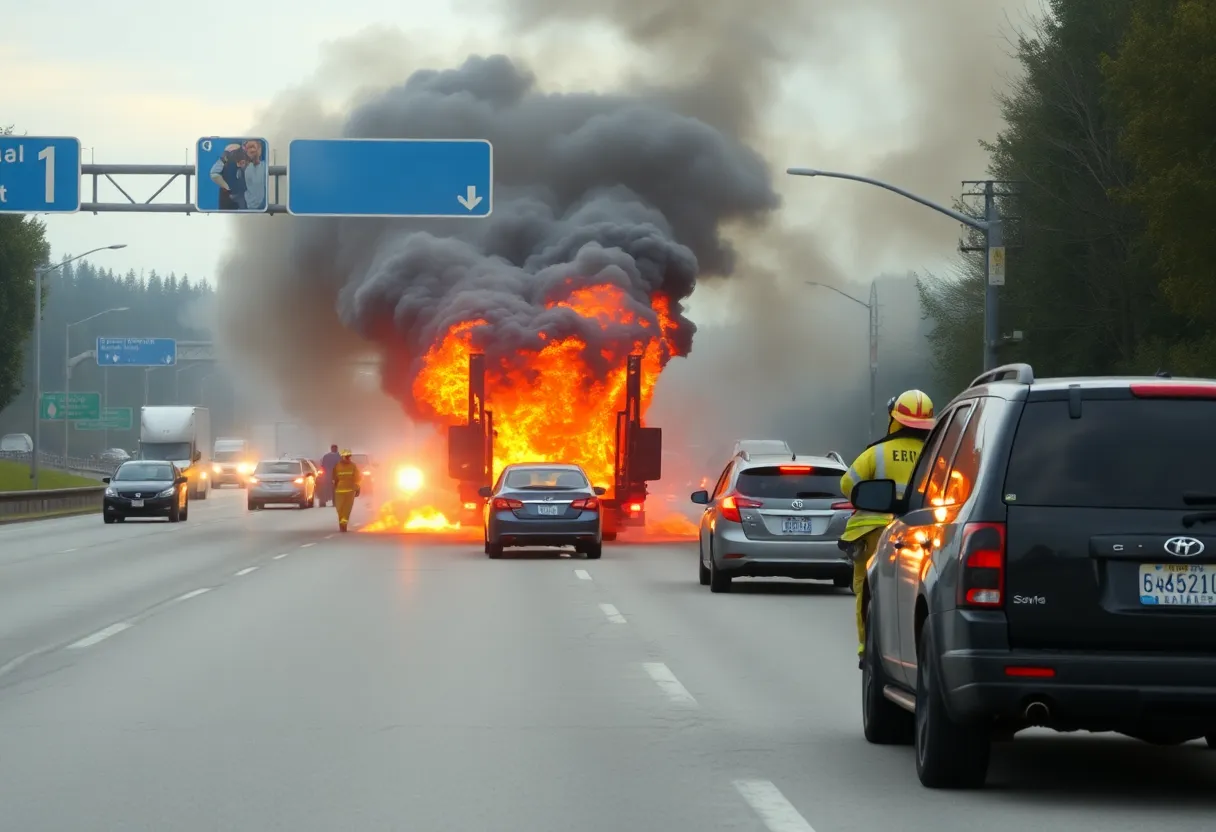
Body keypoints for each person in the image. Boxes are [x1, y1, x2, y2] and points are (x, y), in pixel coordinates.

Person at [839, 389, 935, 668]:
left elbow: (848, 485)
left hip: (873, 532)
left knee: (866, 590)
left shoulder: (876, 453)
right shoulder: (936, 454)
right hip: (921, 535)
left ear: (894, 419)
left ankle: (865, 647)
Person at [331, 448, 362, 532]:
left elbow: (358, 478)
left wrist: (357, 488)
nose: (348, 458)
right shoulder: (337, 466)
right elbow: (334, 478)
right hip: (339, 491)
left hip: (350, 491)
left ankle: (343, 524)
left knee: (347, 509)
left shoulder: (353, 466)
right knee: (339, 509)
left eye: (349, 456)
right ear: (342, 457)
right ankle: (342, 522)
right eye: (346, 456)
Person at [240, 139, 268, 211]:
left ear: (259, 149)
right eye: (248, 148)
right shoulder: (245, 169)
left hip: (262, 206)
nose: (251, 150)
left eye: (253, 147)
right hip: (249, 206)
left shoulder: (265, 167)